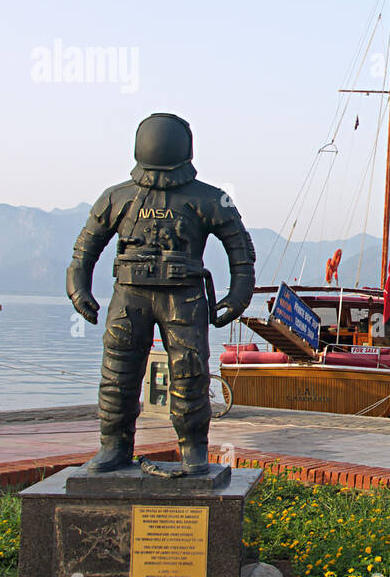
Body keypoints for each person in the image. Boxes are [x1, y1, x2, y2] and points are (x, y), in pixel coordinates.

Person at [67, 113, 255, 475]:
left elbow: (241, 254)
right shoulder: (123, 197)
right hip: (136, 296)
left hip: (179, 296)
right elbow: (84, 252)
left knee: (188, 374)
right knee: (120, 376)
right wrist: (78, 288)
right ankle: (114, 447)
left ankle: (192, 450)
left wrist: (237, 296)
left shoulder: (204, 199)